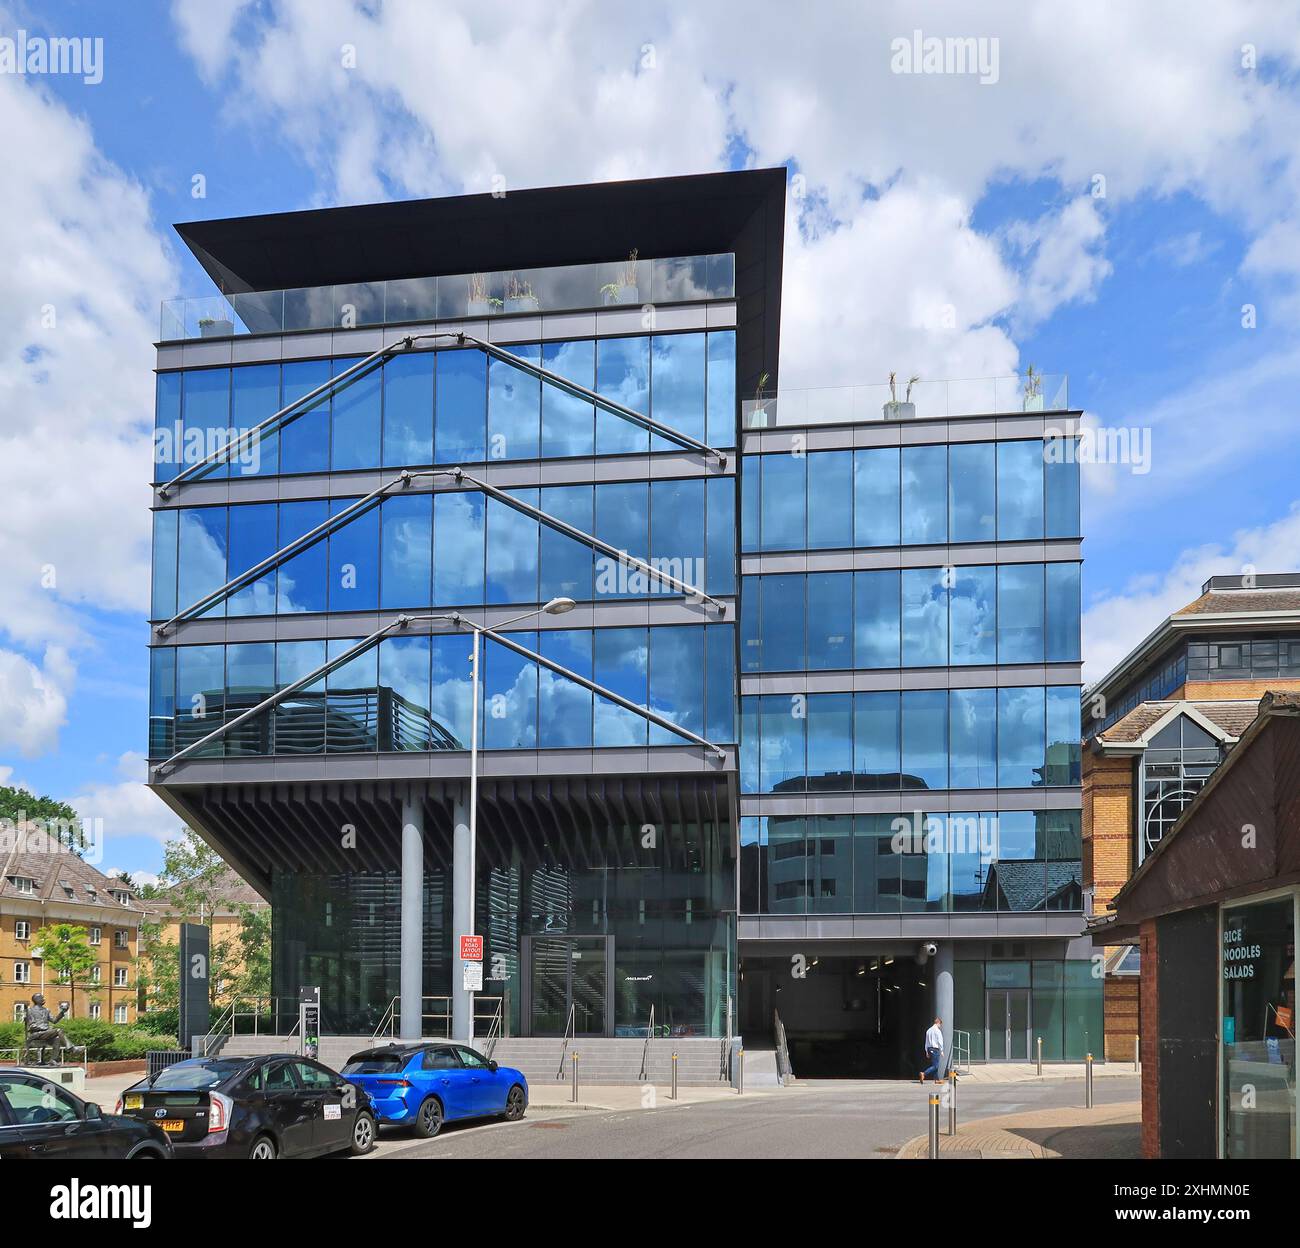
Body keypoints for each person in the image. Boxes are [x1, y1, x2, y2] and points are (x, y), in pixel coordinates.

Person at [23, 993, 70, 1066]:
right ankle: (71, 1048)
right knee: (58, 1030)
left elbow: (54, 1020)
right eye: (42, 998)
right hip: (36, 1034)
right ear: (37, 1000)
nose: (44, 999)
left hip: (45, 1034)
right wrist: (45, 1028)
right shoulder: (30, 1010)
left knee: (57, 1039)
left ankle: (53, 1060)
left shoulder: (46, 1010)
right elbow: (32, 1025)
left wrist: (62, 1012)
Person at [919, 1016, 944, 1083]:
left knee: (935, 1064)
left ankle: (936, 1080)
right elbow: (940, 1041)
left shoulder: (928, 1030)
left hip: (929, 1049)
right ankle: (924, 1073)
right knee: (935, 1066)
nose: (940, 1026)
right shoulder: (937, 1031)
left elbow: (926, 1042)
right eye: (940, 1025)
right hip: (935, 1049)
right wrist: (941, 1050)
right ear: (938, 1023)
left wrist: (926, 1051)